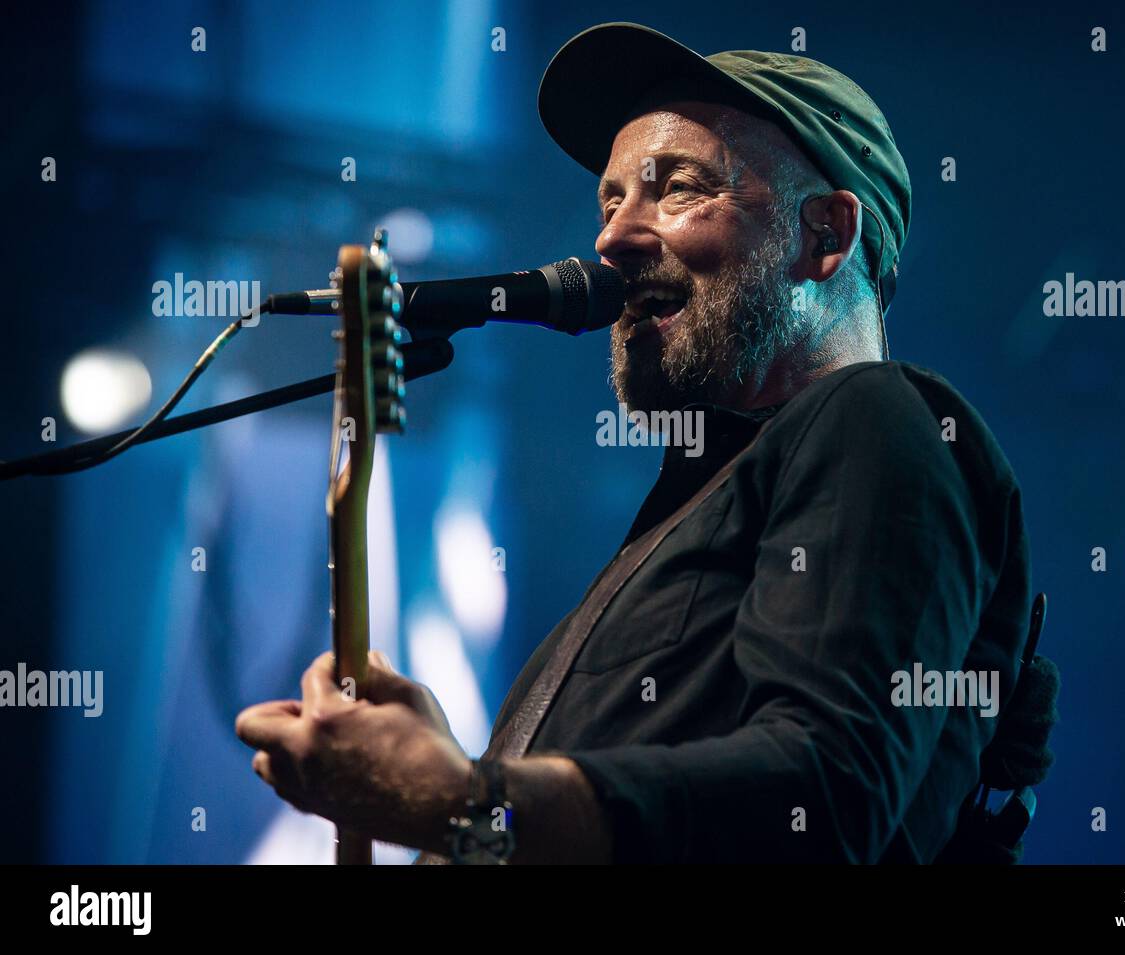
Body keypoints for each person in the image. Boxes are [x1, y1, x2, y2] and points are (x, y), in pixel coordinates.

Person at [236, 22, 1033, 864]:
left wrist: (462, 798)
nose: (613, 238)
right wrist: (470, 775)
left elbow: (826, 798)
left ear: (826, 235)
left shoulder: (874, 417)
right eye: (611, 200)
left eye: (678, 188)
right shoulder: (698, 504)